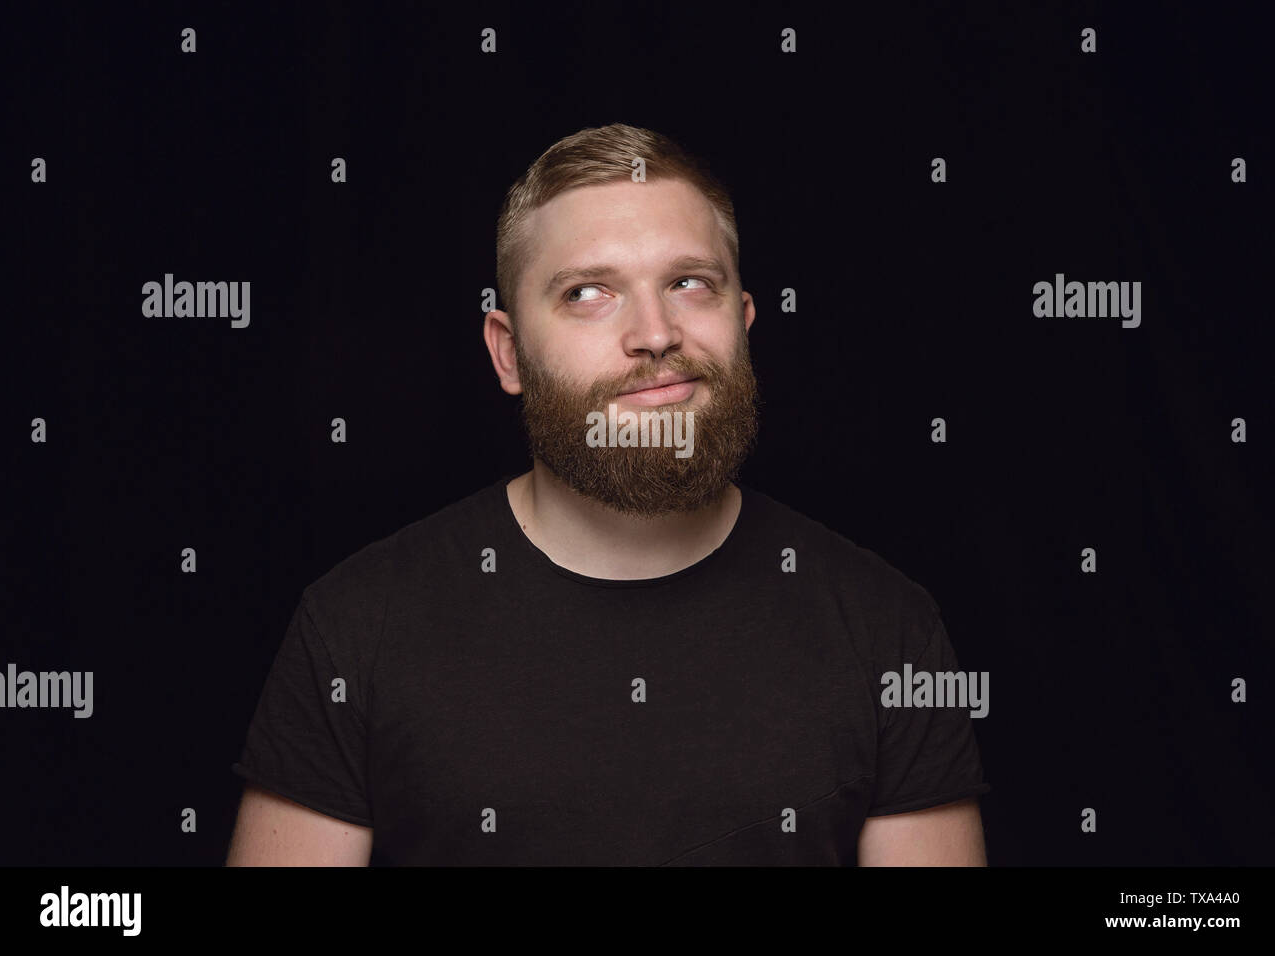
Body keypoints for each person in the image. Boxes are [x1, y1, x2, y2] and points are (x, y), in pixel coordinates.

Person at [225, 122, 990, 866]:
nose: (655, 333)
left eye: (690, 283)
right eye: (589, 292)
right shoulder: (357, 626)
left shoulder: (888, 629)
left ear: (745, 321)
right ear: (509, 351)